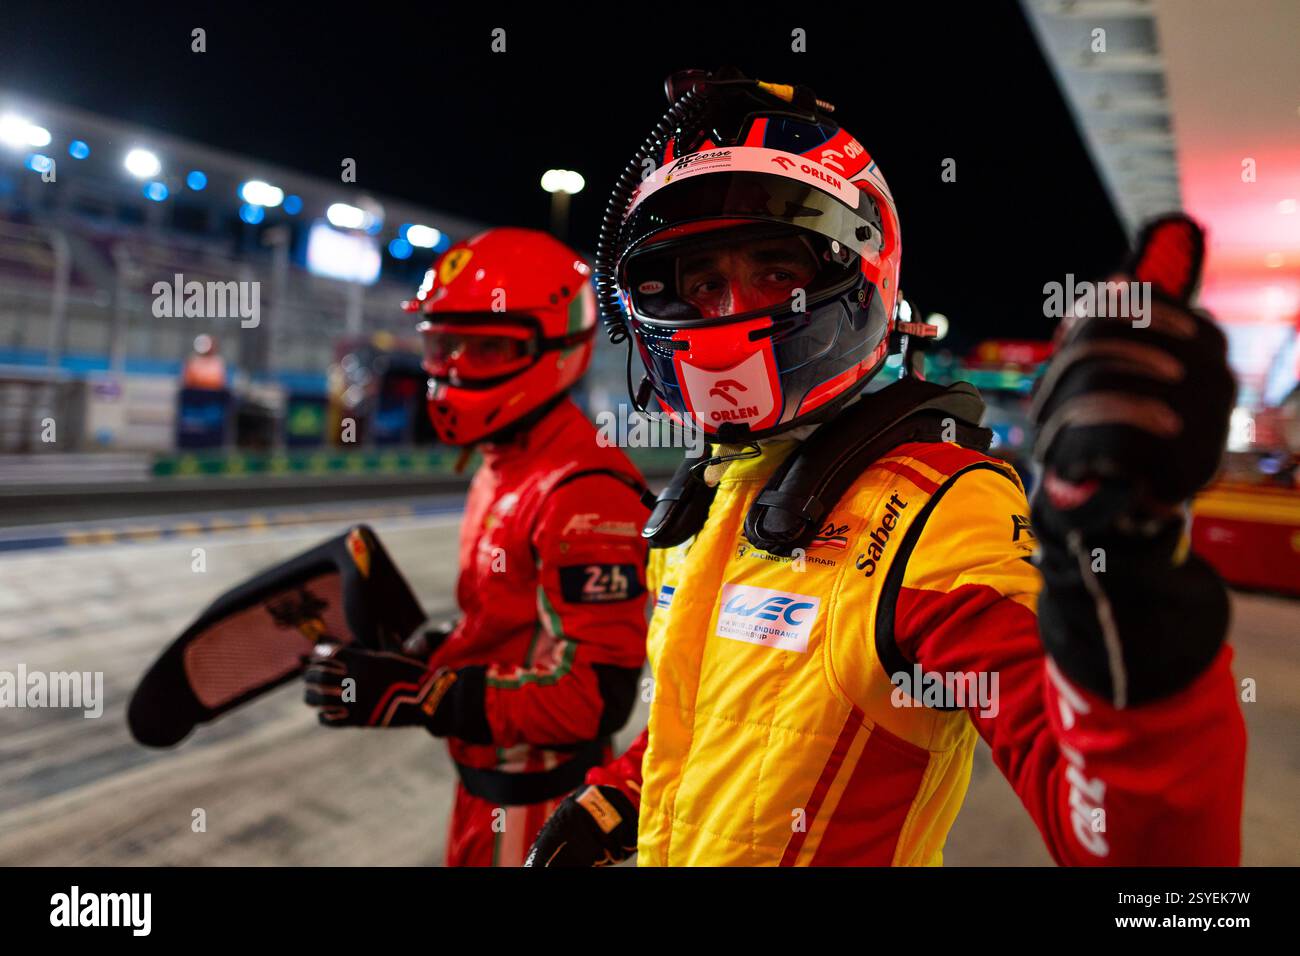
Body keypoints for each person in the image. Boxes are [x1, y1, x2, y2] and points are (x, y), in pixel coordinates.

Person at [524, 69, 1245, 867]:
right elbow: (714, 720)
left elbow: (1127, 849)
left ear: (856, 275)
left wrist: (1133, 597)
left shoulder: (940, 510)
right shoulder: (715, 490)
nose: (730, 313)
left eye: (773, 273)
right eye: (703, 283)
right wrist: (613, 800)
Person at [303, 227, 651, 866]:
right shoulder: (505, 457)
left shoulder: (584, 490)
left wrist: (425, 694)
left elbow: (595, 697)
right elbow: (511, 620)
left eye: (487, 347)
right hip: (487, 786)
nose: (456, 369)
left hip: (542, 807)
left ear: (559, 348)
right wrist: (440, 651)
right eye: (444, 345)